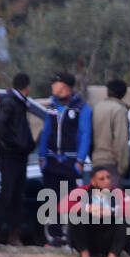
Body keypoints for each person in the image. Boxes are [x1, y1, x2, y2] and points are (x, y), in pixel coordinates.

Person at [38, 72, 93, 247]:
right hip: (53, 158)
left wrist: (80, 160)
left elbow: (86, 135)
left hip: (71, 160)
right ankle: (55, 236)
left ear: (64, 86)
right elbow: (46, 131)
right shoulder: (52, 107)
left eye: (55, 83)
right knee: (51, 197)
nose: (52, 87)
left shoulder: (82, 108)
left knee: (73, 199)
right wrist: (42, 156)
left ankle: (73, 236)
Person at [0, 73, 46, 246]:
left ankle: (14, 234)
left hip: (18, 156)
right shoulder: (10, 102)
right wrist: (16, 144)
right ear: (27, 87)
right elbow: (0, 127)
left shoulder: (18, 103)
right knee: (7, 194)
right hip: (11, 156)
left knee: (16, 195)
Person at [60, 168, 130, 257]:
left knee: (124, 220)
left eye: (108, 177)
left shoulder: (117, 192)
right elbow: (61, 206)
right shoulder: (82, 191)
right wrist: (88, 208)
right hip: (88, 240)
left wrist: (111, 211)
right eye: (102, 179)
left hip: (109, 242)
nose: (107, 181)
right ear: (93, 182)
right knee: (74, 217)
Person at [91, 78, 130, 190]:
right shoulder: (119, 110)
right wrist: (122, 167)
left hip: (96, 161)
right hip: (112, 163)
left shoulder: (96, 107)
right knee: (113, 203)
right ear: (123, 94)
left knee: (99, 203)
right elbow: (121, 141)